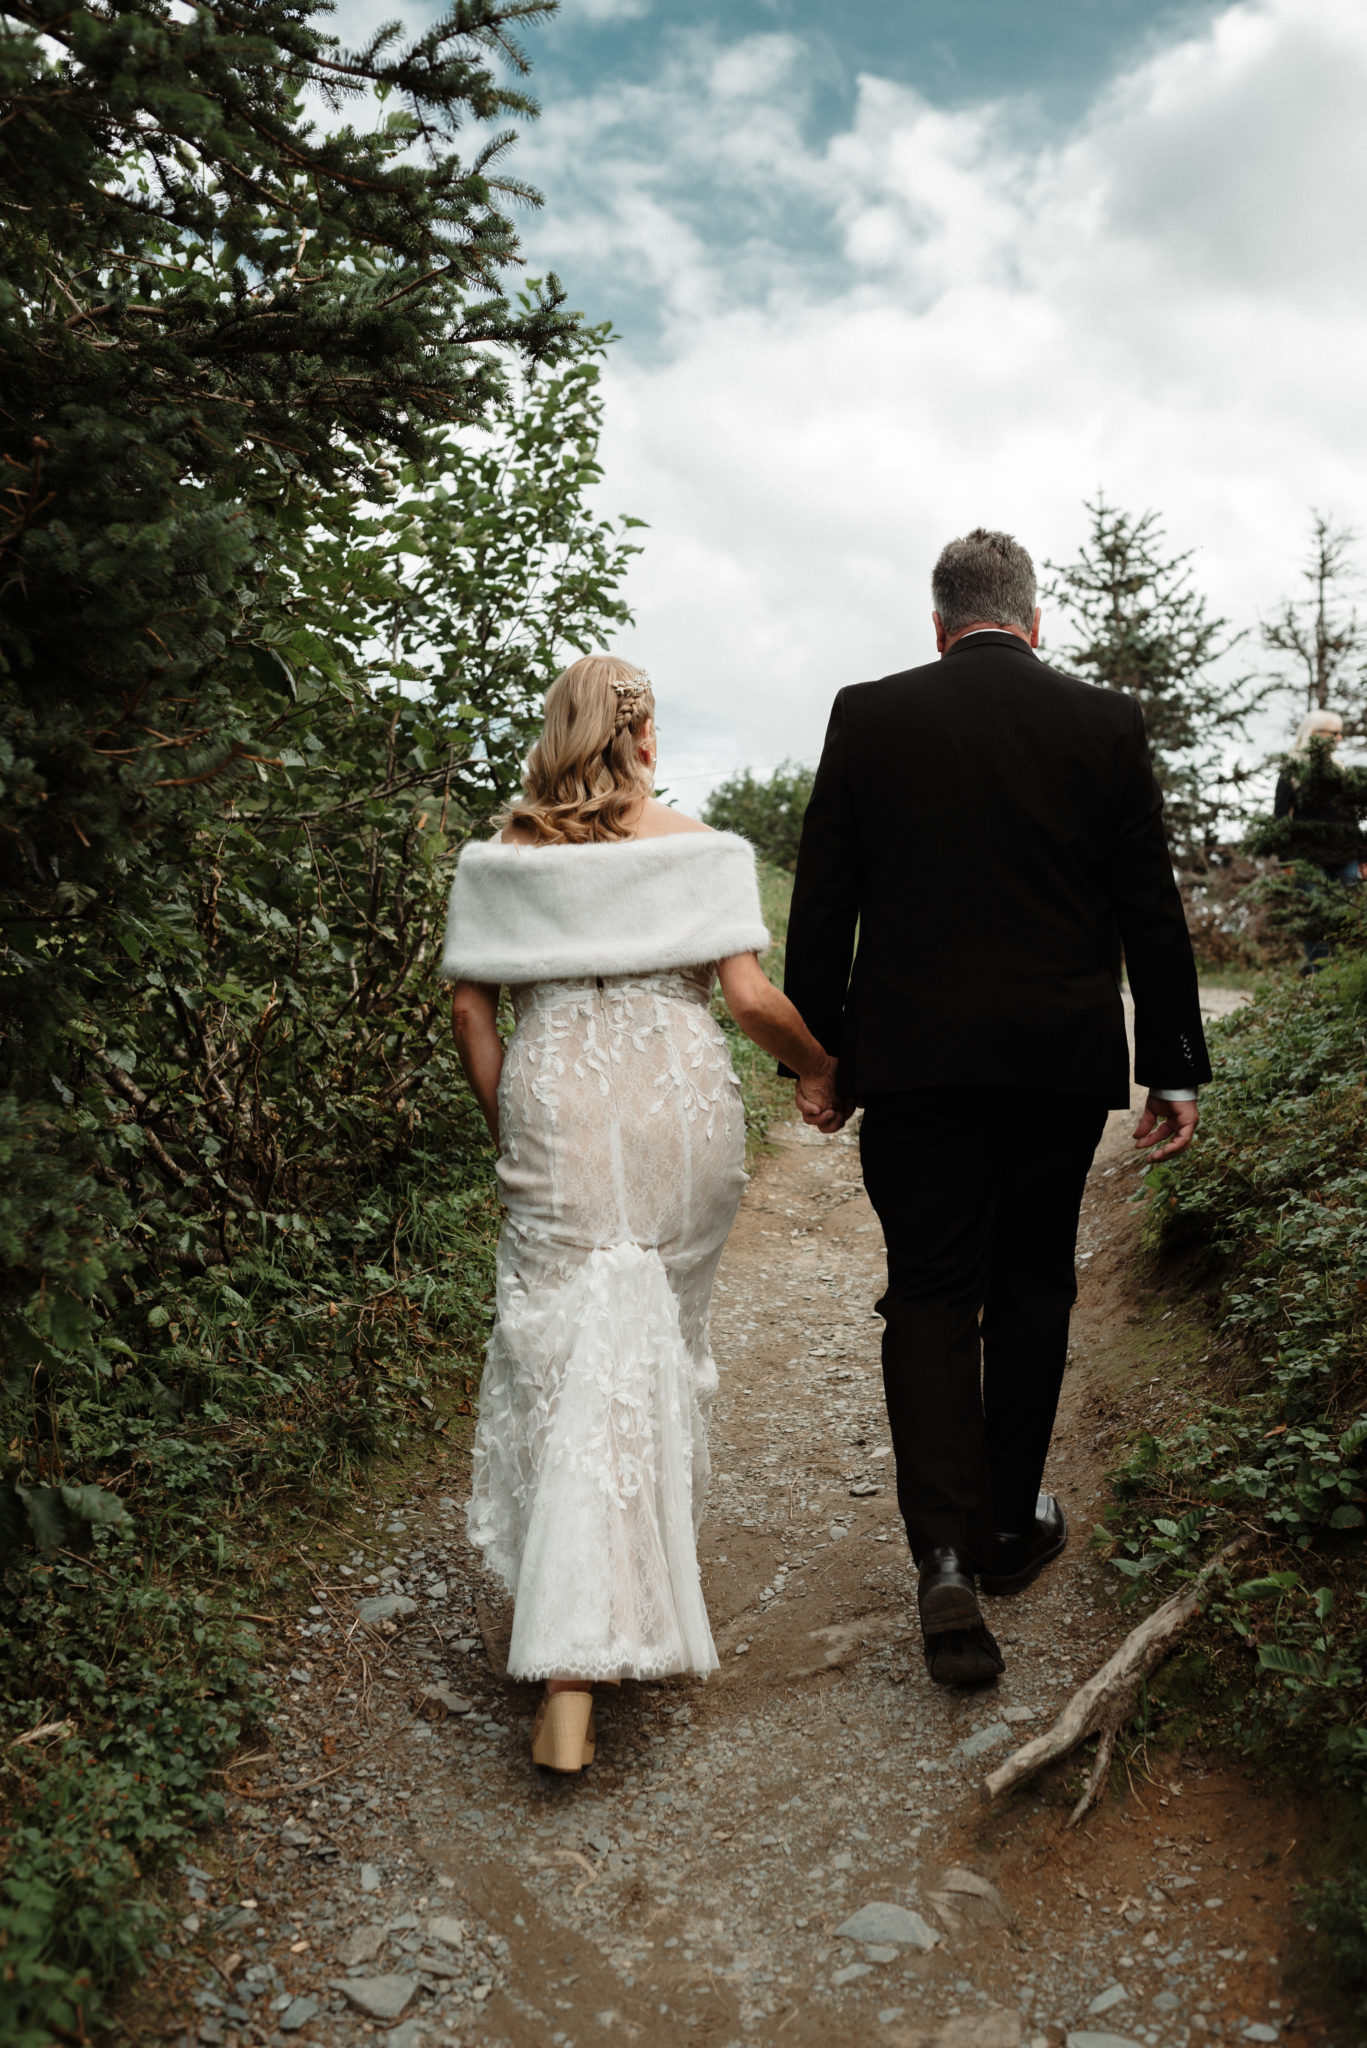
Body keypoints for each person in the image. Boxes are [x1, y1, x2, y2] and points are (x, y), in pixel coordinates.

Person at [783, 528, 1211, 1689]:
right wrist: (1168, 1062)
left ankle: (940, 1554)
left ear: (937, 623)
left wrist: (816, 1056)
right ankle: (1008, 1529)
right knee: (1030, 1281)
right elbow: (1149, 909)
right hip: (1053, 1062)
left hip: (914, 1063)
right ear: (1033, 621)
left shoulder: (868, 715)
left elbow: (824, 899)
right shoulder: (1102, 722)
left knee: (926, 1290)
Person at [443, 655, 839, 1773]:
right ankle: (600, 1630)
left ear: (556, 732)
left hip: (556, 1093)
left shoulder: (499, 860)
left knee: (564, 1342)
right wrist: (819, 1067)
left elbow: (474, 1011)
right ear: (644, 733)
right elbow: (750, 1000)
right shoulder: (701, 849)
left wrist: (509, 1116)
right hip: (676, 1100)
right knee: (651, 1329)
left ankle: (567, 1647)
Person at [1273, 711, 1366, 972]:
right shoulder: (1292, 771)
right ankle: (1320, 973)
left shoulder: (1341, 770)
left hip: (1346, 856)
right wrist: (1286, 860)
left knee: (1348, 915)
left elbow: (1352, 817)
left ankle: (1346, 972)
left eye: (1340, 732)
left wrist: (1364, 856)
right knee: (1316, 916)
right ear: (1314, 734)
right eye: (1333, 732)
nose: (1339, 738)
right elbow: (1281, 819)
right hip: (1309, 858)